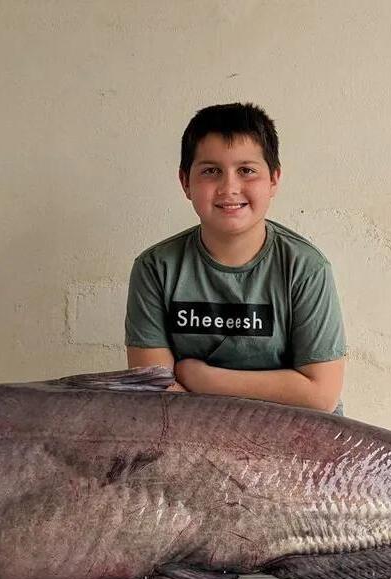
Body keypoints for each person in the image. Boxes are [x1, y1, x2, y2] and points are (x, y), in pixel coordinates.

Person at [124, 102, 346, 414]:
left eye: (246, 170)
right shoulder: (155, 268)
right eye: (211, 171)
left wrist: (201, 377)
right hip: (190, 435)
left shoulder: (306, 267)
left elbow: (320, 396)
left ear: (274, 180)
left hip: (297, 442)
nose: (229, 187)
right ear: (185, 182)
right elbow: (155, 393)